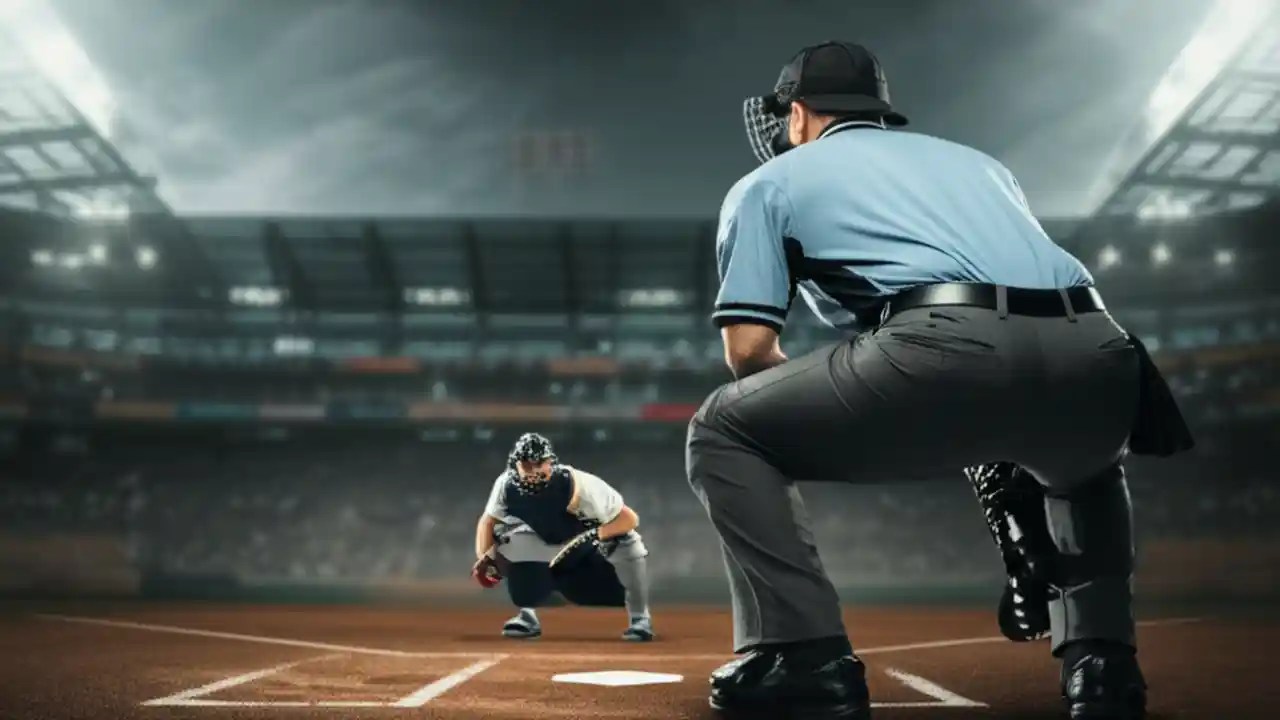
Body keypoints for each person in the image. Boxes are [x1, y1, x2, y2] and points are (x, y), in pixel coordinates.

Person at [688, 40, 1189, 720]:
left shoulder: (769, 182)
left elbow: (748, 350)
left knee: (722, 428)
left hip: (942, 346)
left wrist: (838, 416)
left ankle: (803, 656)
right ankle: (1104, 666)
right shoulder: (982, 167)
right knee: (1084, 472)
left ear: (799, 115)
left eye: (786, 118)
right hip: (1101, 349)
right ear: (881, 112)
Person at [472, 432, 654, 642]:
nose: (534, 470)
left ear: (551, 463)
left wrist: (595, 536)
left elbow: (629, 518)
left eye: (539, 463)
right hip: (549, 538)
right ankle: (527, 615)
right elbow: (488, 522)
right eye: (527, 464)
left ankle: (640, 619)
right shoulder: (505, 485)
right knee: (511, 542)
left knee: (632, 546)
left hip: (592, 536)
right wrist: (485, 558)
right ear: (515, 465)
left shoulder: (579, 486)